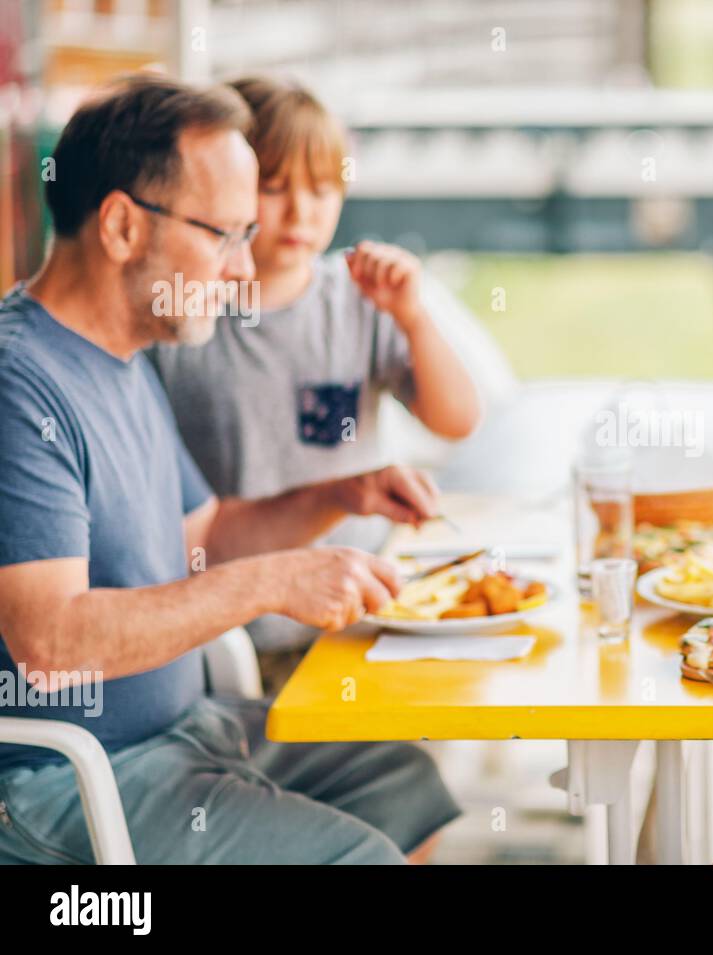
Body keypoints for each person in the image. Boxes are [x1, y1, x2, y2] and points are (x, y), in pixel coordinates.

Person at [0, 74, 460, 864]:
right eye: (224, 235)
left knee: (402, 780)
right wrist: (271, 584)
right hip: (69, 778)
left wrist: (339, 494)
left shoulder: (123, 357)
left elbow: (207, 534)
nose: (244, 272)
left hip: (190, 729)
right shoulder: (19, 383)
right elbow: (51, 644)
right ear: (120, 226)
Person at [147, 75, 482, 693]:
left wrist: (414, 316)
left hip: (370, 612)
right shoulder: (185, 314)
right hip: (241, 633)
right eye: (274, 189)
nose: (302, 212)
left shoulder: (360, 298)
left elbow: (457, 419)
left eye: (323, 189)